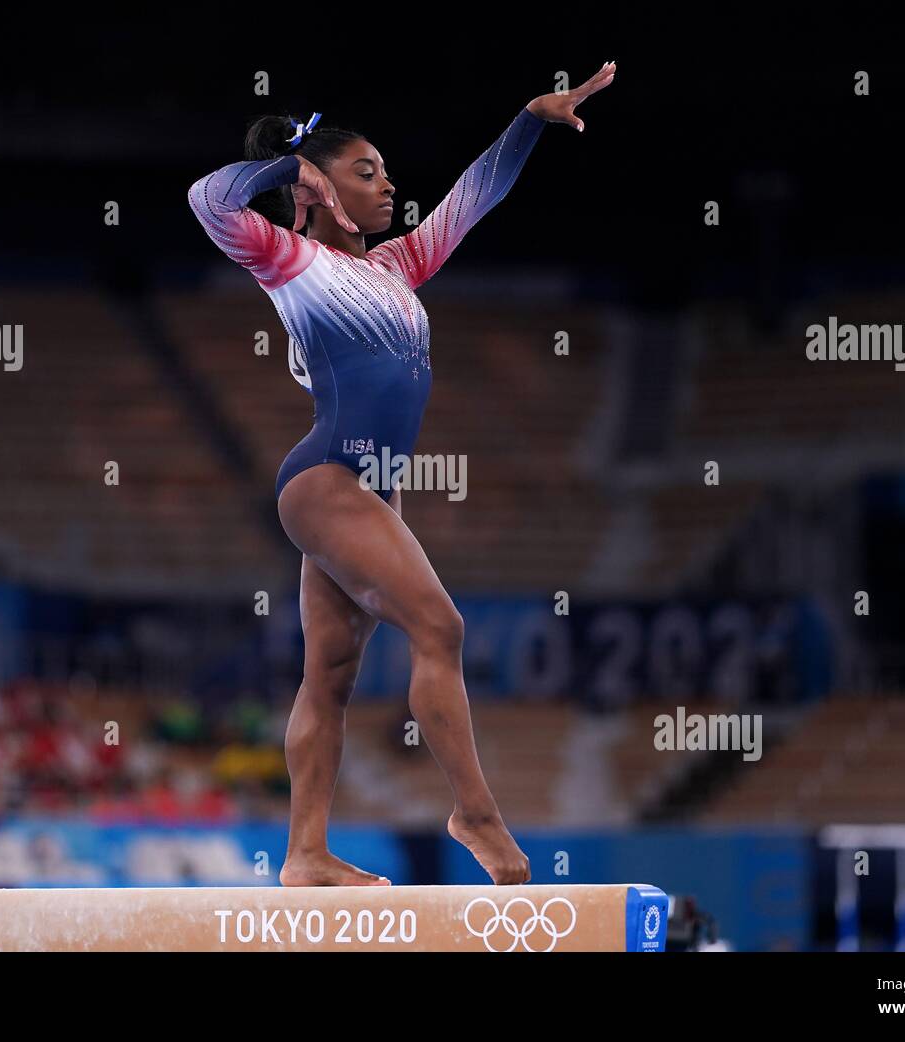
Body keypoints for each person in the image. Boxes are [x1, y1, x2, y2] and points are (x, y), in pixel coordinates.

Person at [188, 63, 616, 885]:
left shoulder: (393, 267)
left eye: (385, 170)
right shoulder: (286, 259)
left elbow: (472, 198)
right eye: (366, 171)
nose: (389, 184)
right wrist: (290, 167)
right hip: (327, 483)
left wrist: (529, 116)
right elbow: (209, 198)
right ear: (319, 188)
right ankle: (477, 815)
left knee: (331, 675)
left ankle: (305, 854)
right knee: (442, 628)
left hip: (362, 493)